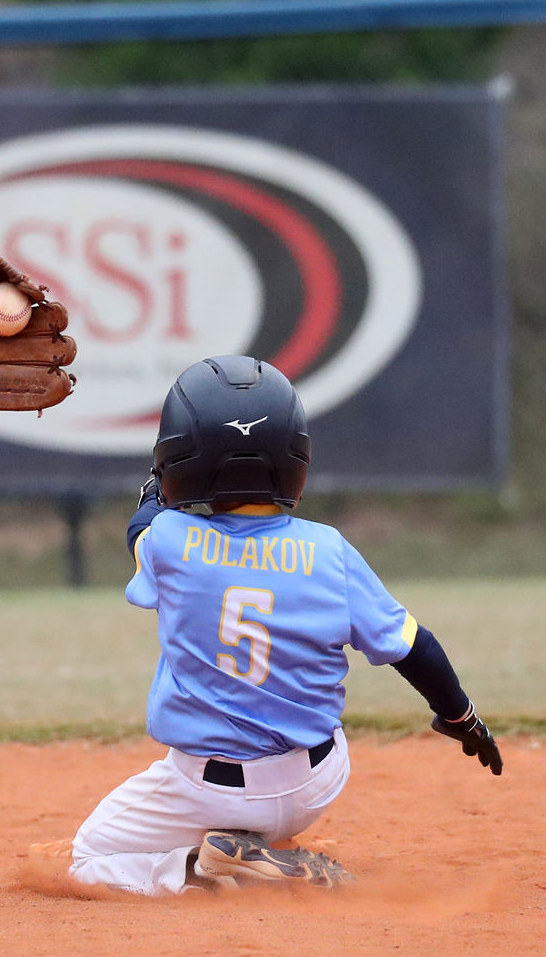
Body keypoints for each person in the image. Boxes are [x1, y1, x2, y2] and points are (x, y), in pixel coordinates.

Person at [54, 354, 502, 897]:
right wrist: (461, 717)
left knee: (86, 858)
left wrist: (153, 487)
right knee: (311, 745)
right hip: (315, 783)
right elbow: (415, 648)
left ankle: (201, 870)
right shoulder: (329, 551)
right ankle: (258, 848)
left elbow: (141, 527)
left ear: (179, 459)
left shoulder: (170, 542)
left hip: (208, 792)